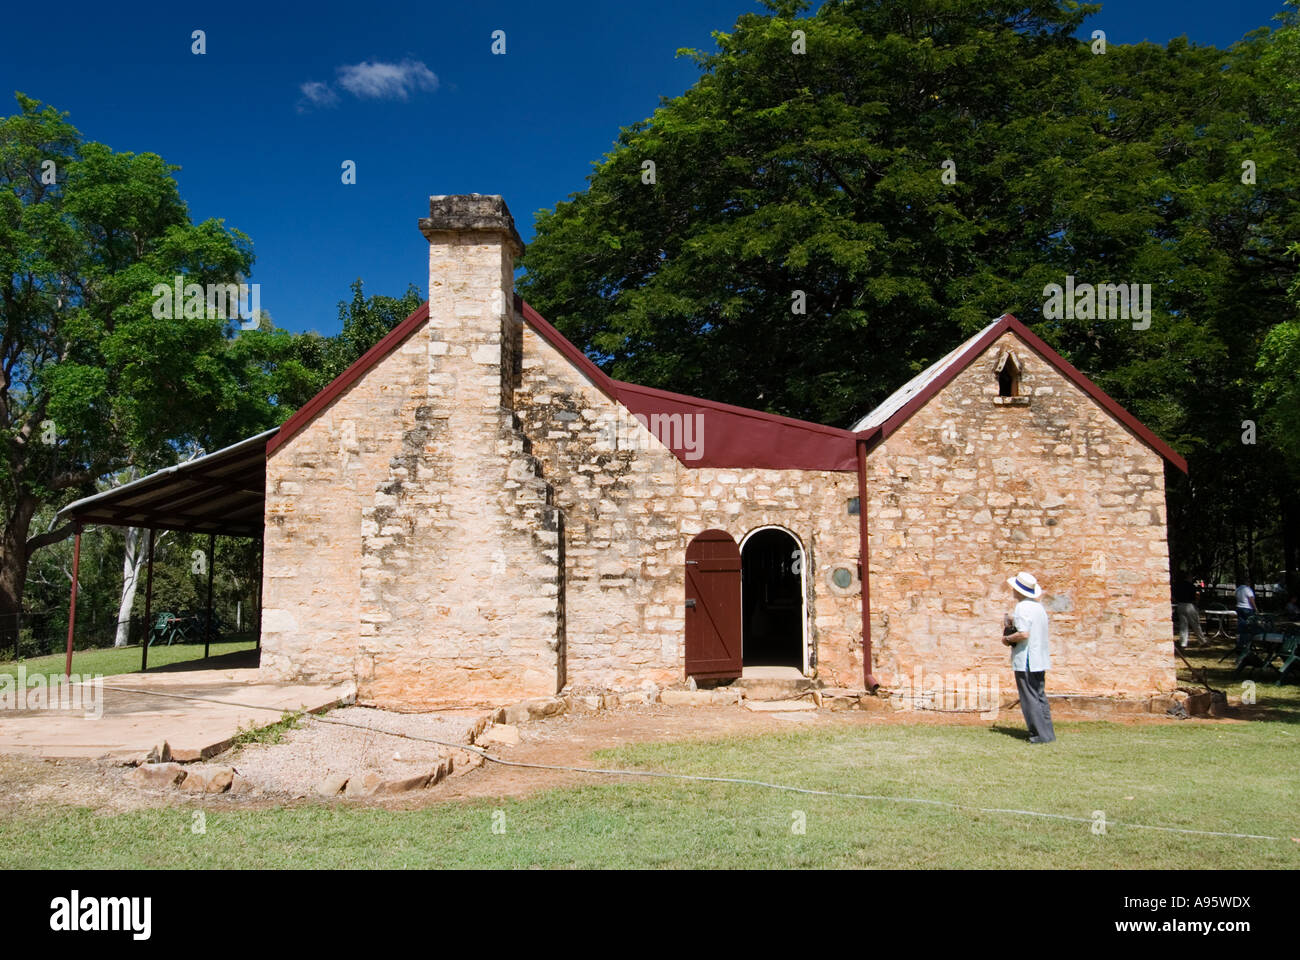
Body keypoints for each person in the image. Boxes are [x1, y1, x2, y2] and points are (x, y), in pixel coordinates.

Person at [1001, 571, 1055, 744]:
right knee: (1039, 696)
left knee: (1029, 698)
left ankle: (1038, 735)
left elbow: (1024, 634)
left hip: (1027, 660)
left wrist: (1008, 638)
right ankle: (1047, 733)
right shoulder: (1039, 608)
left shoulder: (1022, 607)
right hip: (1039, 658)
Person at [1172, 571, 1205, 648]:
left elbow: (1174, 597)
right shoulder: (1191, 586)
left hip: (1180, 605)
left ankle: (1183, 643)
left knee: (1183, 625)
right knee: (1195, 624)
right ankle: (1202, 641)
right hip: (1189, 605)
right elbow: (1195, 597)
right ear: (1188, 577)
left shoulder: (1177, 585)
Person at [1234, 572, 1258, 652]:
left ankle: (1239, 642)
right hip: (1247, 608)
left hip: (1239, 607)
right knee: (1249, 626)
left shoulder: (1238, 589)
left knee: (1241, 625)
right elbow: (1251, 599)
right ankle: (1246, 642)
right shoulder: (1248, 589)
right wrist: (1255, 608)